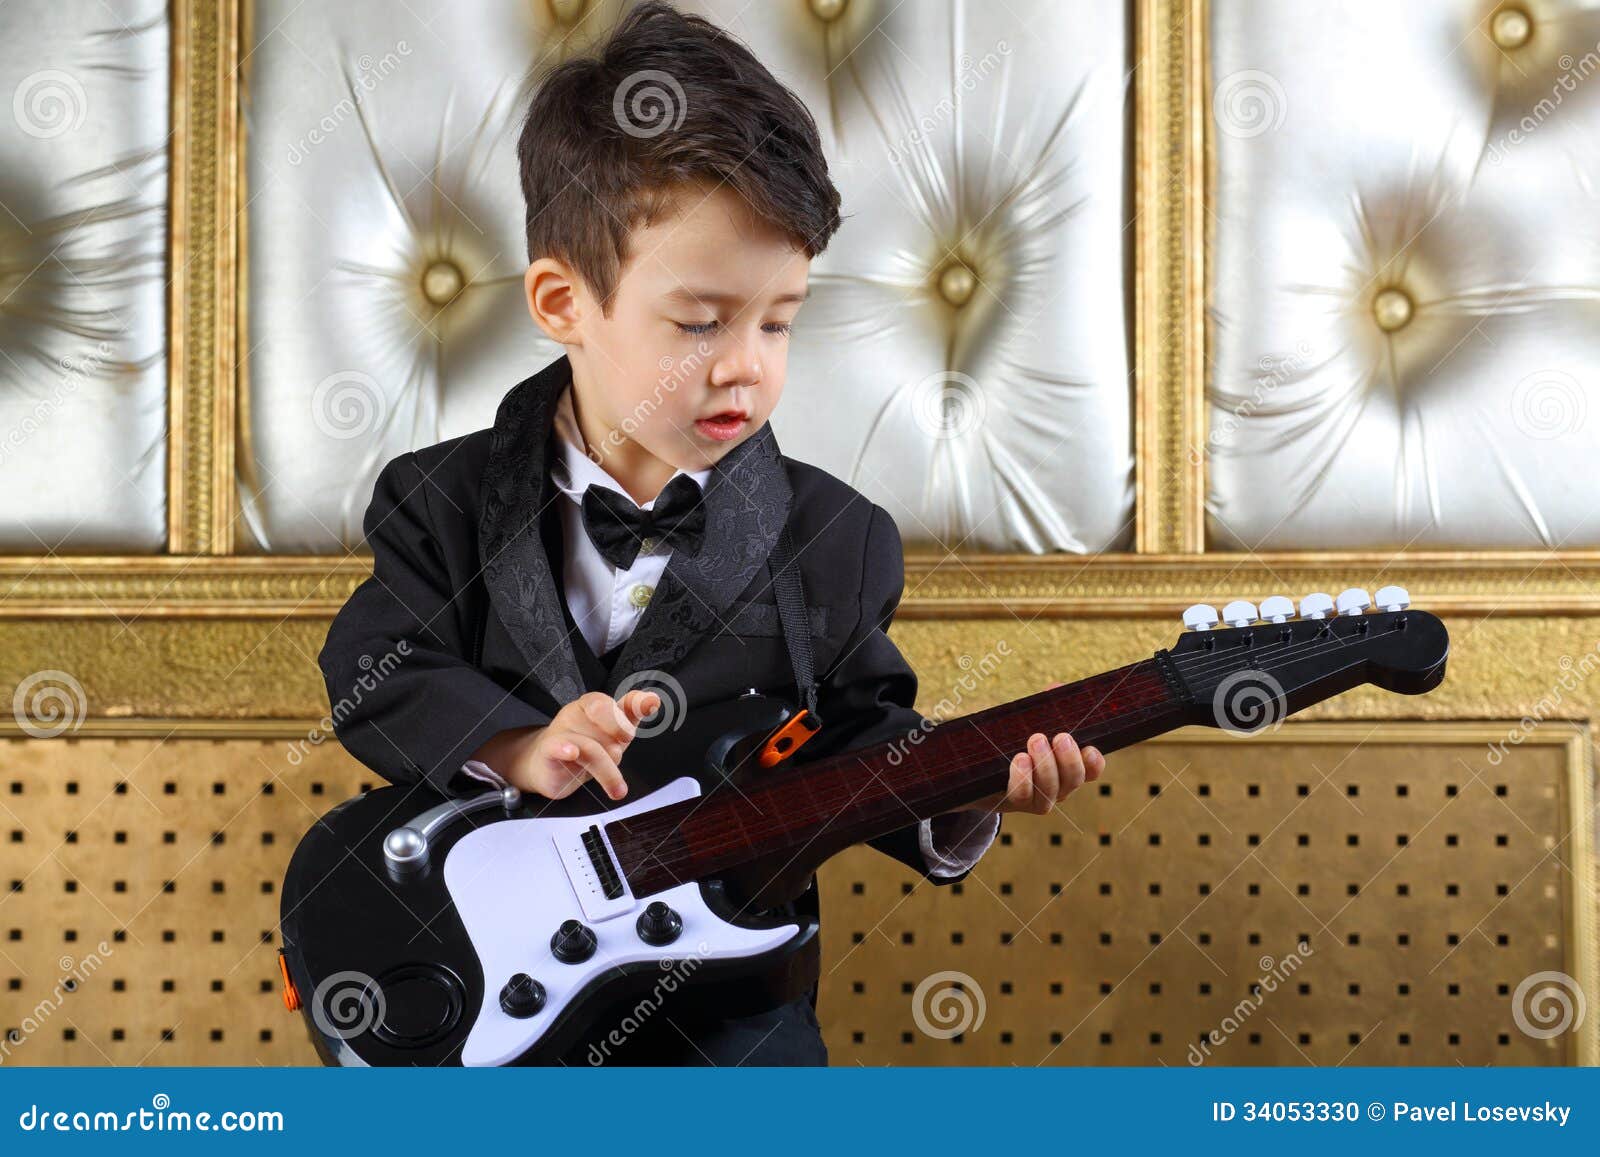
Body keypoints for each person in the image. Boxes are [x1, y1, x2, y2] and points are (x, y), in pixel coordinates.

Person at [318, 0, 1104, 1067]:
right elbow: (376, 663)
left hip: (733, 1031)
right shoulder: (438, 498)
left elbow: (857, 741)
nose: (748, 363)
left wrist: (956, 788)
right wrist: (515, 743)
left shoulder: (837, 536)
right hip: (486, 1003)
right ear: (561, 299)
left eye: (779, 318)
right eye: (701, 322)